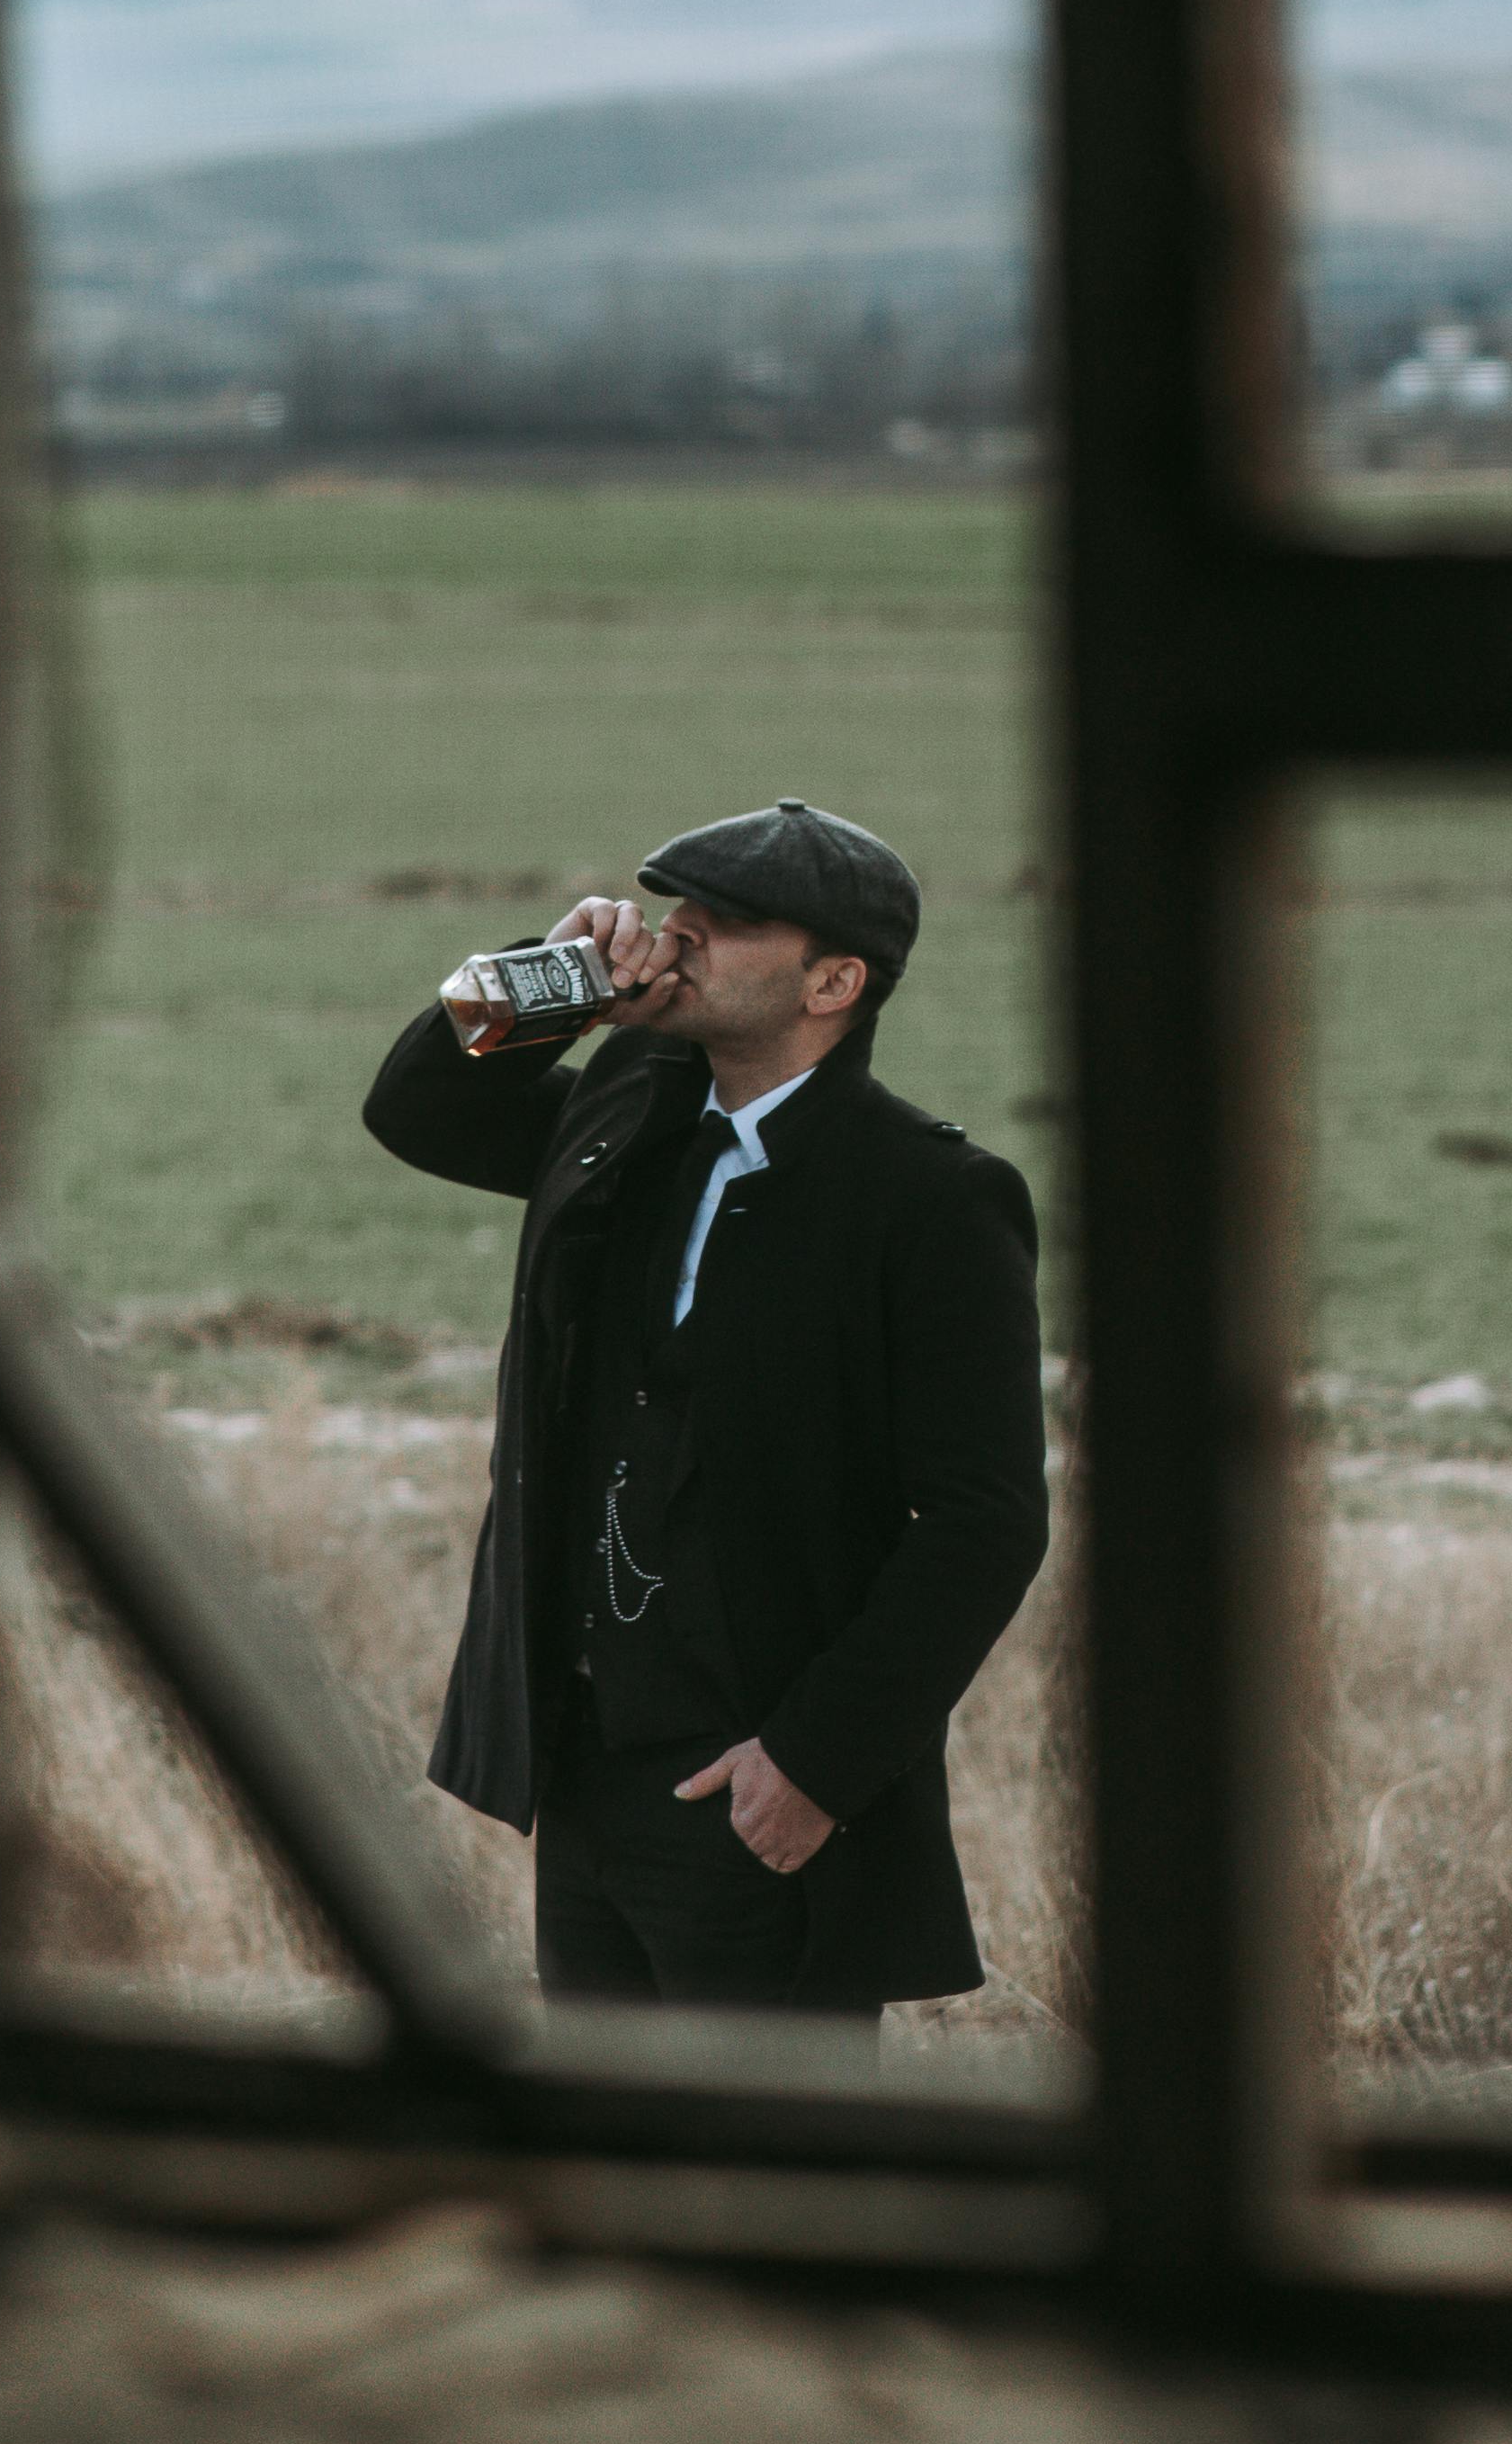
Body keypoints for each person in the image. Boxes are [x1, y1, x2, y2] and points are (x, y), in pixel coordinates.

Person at [361, 795, 1049, 2022]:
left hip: (756, 1792)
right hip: (582, 1773)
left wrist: (815, 1766)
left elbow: (985, 1521)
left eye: (728, 924)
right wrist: (545, 980)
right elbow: (414, 1109)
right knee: (607, 2171)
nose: (677, 936)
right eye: (677, 906)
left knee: (781, 2189)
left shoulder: (933, 1199)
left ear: (833, 981)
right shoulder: (625, 1114)